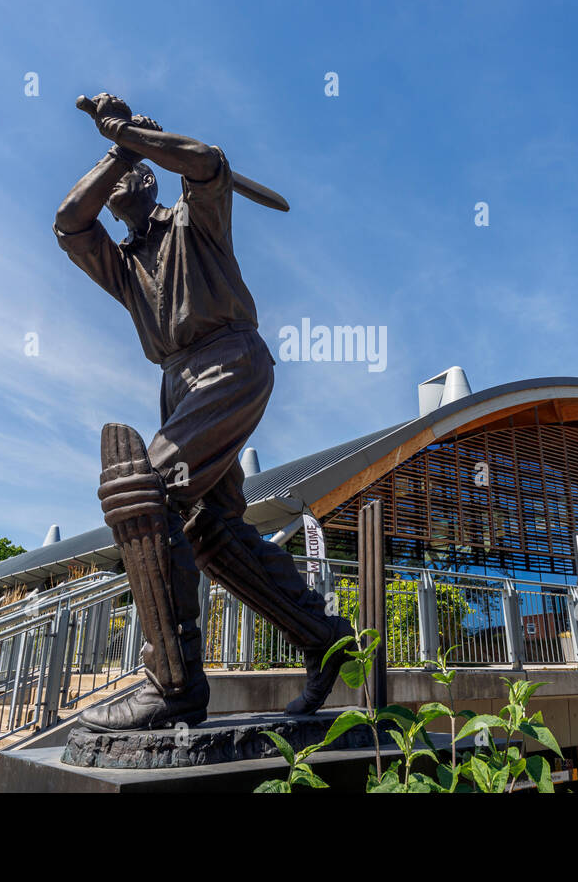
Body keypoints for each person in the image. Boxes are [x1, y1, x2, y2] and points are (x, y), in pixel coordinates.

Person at [52, 93, 354, 730]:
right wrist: (118, 148)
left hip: (228, 361)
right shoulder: (124, 261)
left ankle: (173, 682)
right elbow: (67, 224)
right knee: (208, 532)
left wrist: (135, 136)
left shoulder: (196, 220)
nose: (114, 189)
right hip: (177, 381)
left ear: (151, 173)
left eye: (130, 170)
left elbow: (208, 161)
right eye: (111, 179)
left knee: (143, 490)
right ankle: (323, 636)